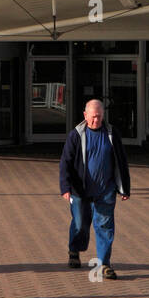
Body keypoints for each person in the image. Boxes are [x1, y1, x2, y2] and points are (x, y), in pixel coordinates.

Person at [59, 97, 130, 278]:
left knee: (104, 225)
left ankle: (104, 264)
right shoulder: (76, 135)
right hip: (80, 190)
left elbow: (121, 162)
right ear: (85, 115)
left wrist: (125, 188)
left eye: (99, 117)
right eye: (92, 117)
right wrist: (65, 187)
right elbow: (65, 162)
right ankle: (74, 250)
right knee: (80, 222)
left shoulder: (112, 134)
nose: (96, 120)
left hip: (105, 189)